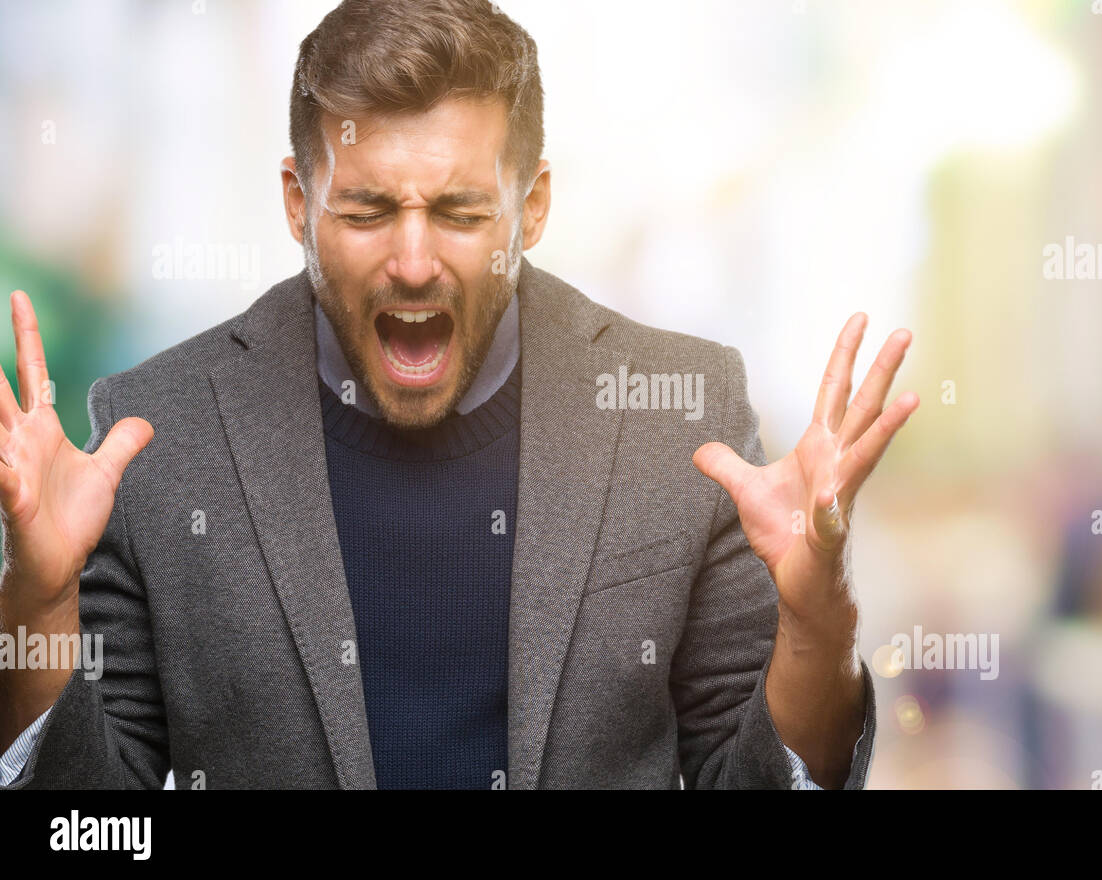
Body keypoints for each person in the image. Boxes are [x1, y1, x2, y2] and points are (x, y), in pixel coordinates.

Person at [0, 0, 917, 789]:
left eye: (460, 212)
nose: (411, 261)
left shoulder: (678, 415)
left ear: (534, 207)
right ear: (297, 203)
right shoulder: (160, 432)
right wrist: (36, 602)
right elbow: (87, 827)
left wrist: (816, 621)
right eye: (364, 211)